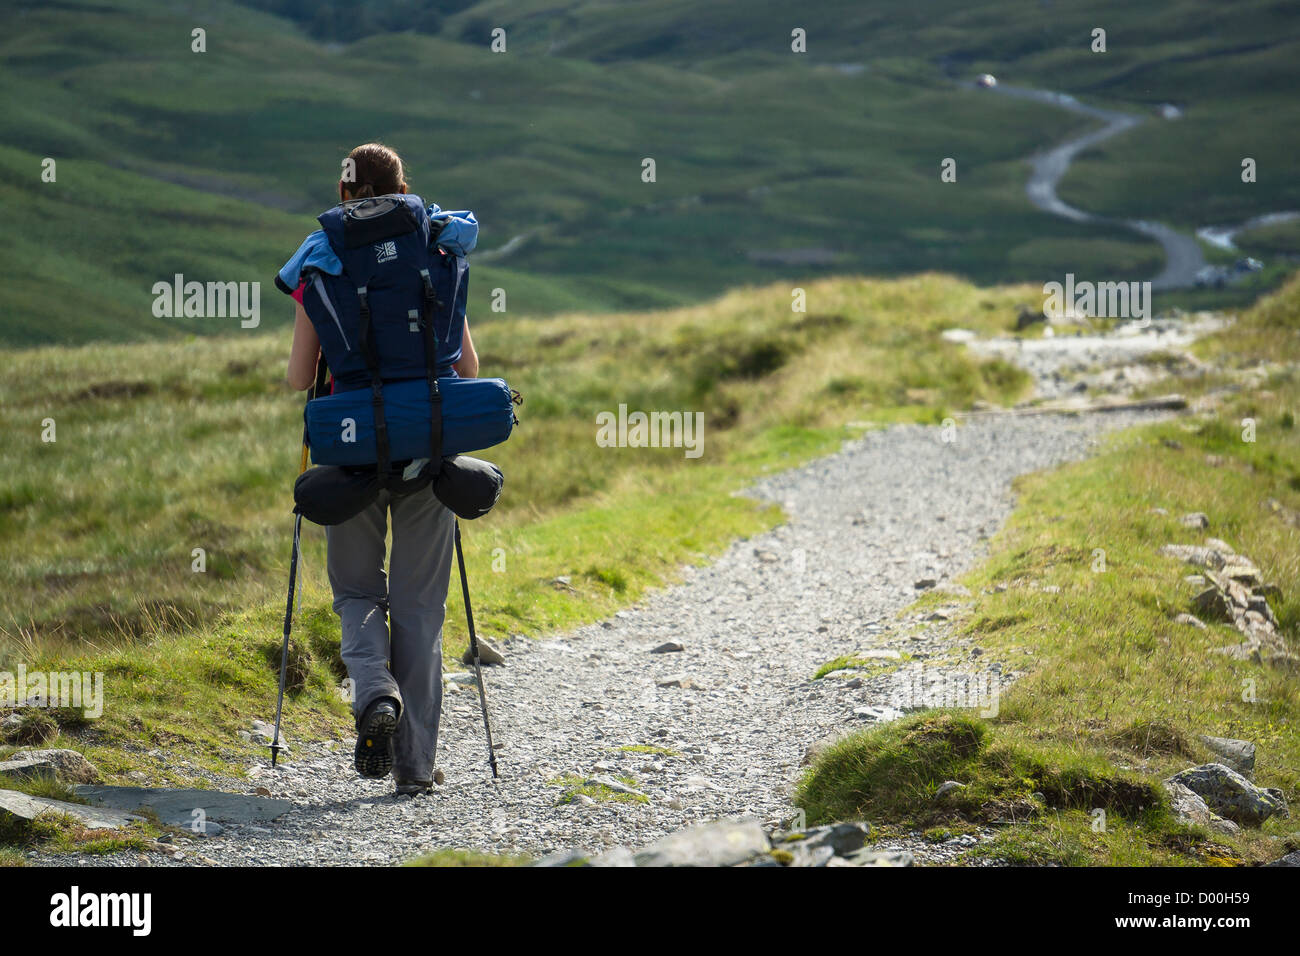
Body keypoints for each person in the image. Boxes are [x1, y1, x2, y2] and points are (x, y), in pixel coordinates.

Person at [283, 143, 479, 796]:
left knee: (357, 593)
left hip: (350, 447)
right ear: (402, 187)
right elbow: (467, 368)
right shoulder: (436, 244)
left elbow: (296, 378)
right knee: (421, 609)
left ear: (344, 195)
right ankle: (416, 770)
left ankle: (374, 696)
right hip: (428, 446)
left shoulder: (322, 258)